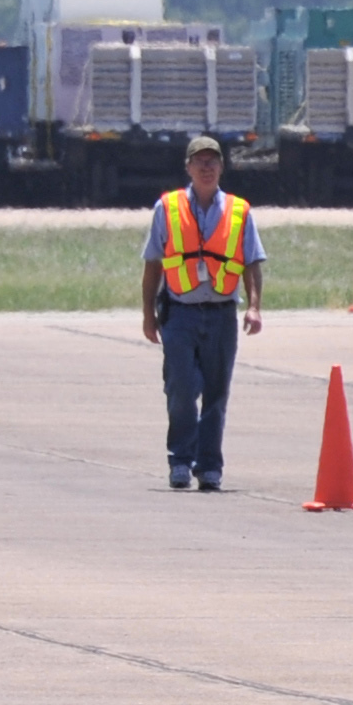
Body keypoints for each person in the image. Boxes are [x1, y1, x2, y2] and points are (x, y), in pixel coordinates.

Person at [138, 135, 265, 490]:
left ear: (222, 167)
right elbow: (153, 266)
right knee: (180, 388)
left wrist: (254, 307)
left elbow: (252, 263)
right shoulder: (167, 208)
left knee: (216, 392)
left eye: (213, 161)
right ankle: (180, 459)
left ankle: (209, 467)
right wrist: (148, 315)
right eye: (199, 161)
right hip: (180, 313)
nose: (206, 167)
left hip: (222, 313)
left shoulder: (239, 212)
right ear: (188, 168)